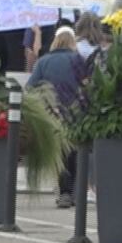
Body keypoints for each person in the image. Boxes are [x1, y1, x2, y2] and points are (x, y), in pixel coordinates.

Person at [32, 27, 87, 208]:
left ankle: (64, 192)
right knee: (76, 153)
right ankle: (76, 193)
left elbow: (31, 88)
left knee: (60, 153)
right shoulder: (78, 60)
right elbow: (88, 85)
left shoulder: (43, 62)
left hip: (52, 113)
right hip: (76, 113)